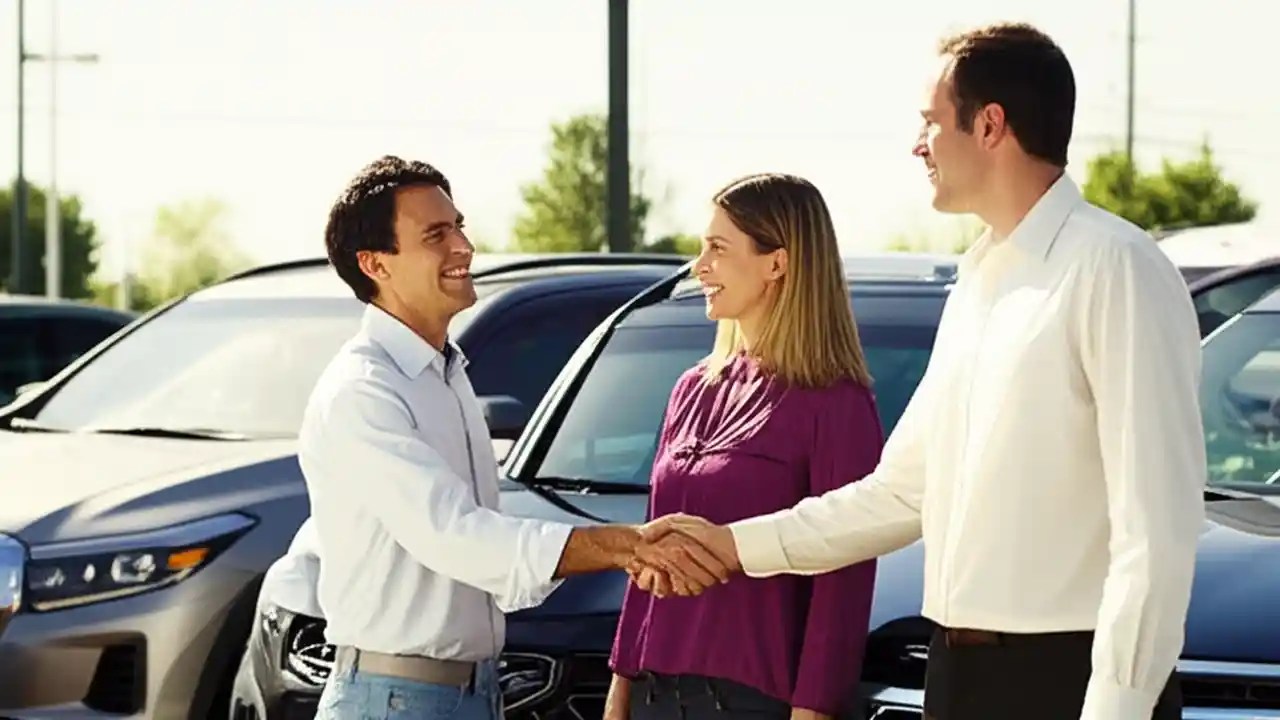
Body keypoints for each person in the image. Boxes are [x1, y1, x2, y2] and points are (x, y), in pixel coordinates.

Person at [641, 23, 1205, 720]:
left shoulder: (1116, 267)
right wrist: (732, 545)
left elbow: (1157, 530)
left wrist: (1116, 708)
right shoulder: (977, 280)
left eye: (931, 123)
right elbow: (900, 494)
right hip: (958, 678)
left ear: (991, 124)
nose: (918, 145)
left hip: (1069, 681)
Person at [300, 155, 728, 720]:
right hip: (395, 702)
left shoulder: (444, 374)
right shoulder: (363, 391)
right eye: (436, 234)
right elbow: (455, 536)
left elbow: (483, 564)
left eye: (459, 227)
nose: (462, 247)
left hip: (467, 694)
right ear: (375, 263)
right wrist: (626, 545)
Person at [605, 173, 884, 720]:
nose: (699, 265)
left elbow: (844, 585)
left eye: (717, 247)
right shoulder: (691, 388)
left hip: (752, 703)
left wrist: (814, 711)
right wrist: (620, 689)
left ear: (776, 263)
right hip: (653, 694)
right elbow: (648, 552)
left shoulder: (836, 403)